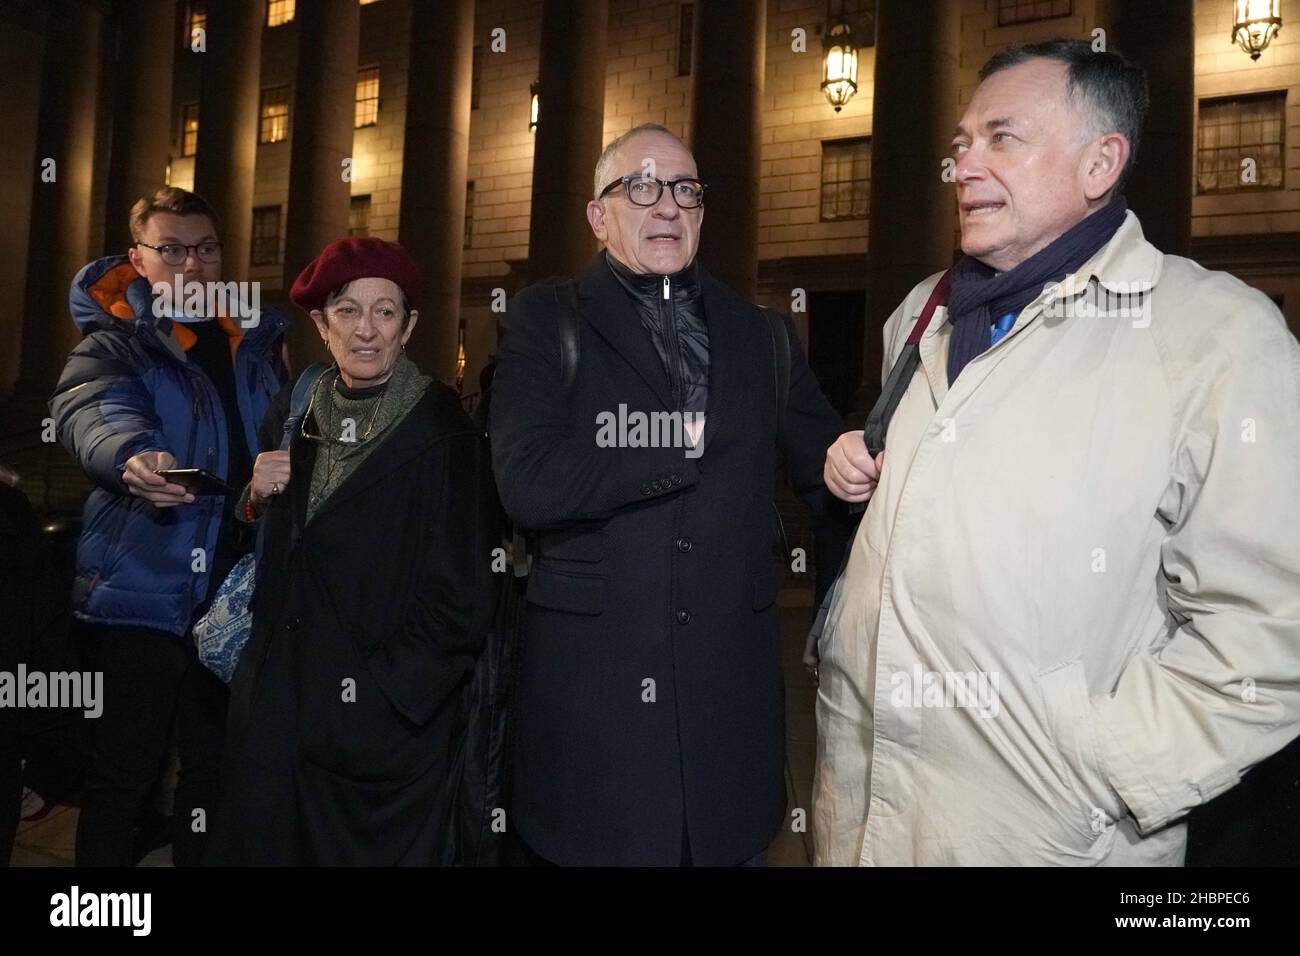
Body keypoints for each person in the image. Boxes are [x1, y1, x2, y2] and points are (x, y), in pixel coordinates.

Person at [814, 39, 1300, 865]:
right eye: (962, 143)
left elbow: (1273, 627)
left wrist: (1100, 773)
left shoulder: (1216, 336)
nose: (963, 166)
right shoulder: (918, 316)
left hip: (1046, 841)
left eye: (1003, 138)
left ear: (1099, 164)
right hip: (863, 819)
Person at [490, 123, 847, 866]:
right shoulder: (546, 318)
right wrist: (668, 445)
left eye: (685, 190)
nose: (667, 207)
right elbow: (528, 481)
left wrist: (841, 615)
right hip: (595, 714)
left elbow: (834, 491)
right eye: (642, 187)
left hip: (730, 716)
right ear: (599, 215)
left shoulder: (764, 338)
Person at [204, 237, 499, 866]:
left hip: (381, 742)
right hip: (276, 717)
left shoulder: (446, 435)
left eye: (385, 312)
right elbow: (269, 544)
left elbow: (464, 601)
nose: (366, 330)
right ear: (321, 323)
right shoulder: (297, 406)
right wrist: (252, 497)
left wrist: (378, 703)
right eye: (347, 311)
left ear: (410, 326)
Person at [49, 187, 288, 866]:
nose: (193, 265)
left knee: (212, 775)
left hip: (233, 596)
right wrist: (132, 456)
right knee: (125, 773)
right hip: (145, 593)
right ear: (138, 258)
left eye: (207, 248)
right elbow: (91, 411)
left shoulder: (257, 341)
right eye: (173, 249)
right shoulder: (116, 340)